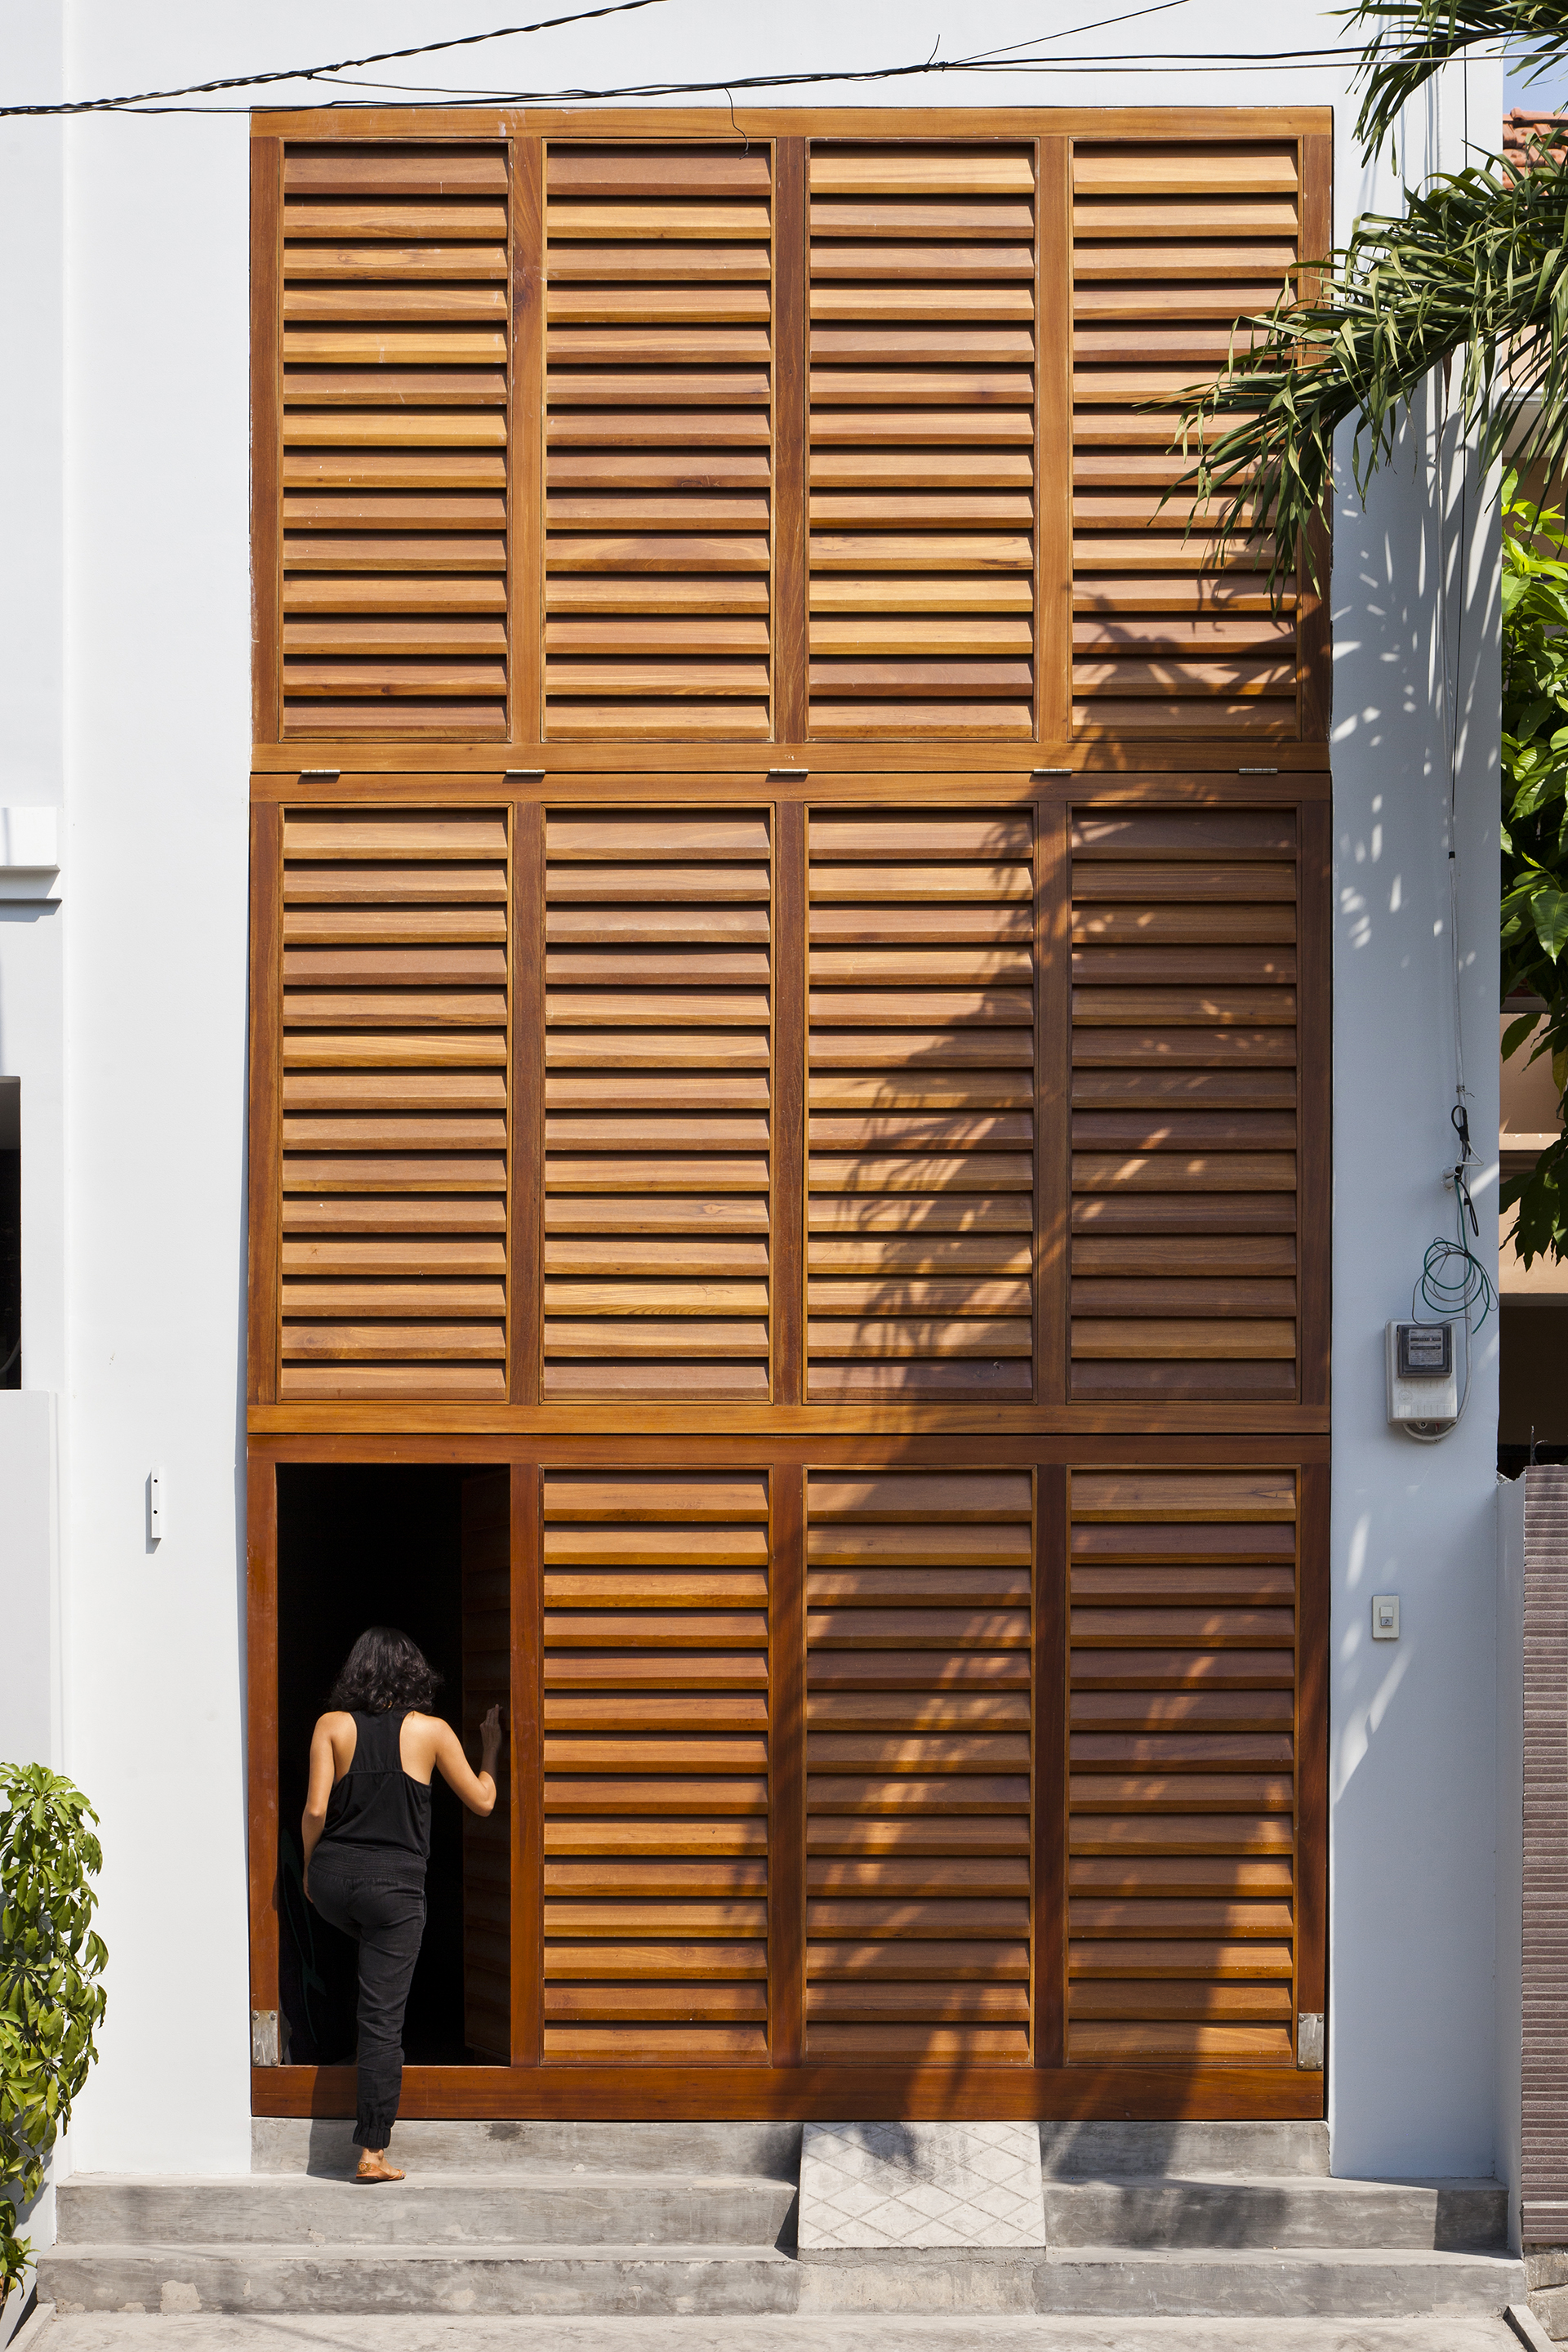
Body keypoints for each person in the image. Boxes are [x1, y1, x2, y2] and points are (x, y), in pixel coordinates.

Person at [301, 1625, 503, 2183]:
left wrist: (311, 1872)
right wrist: (492, 1747)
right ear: (414, 1674)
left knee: (364, 1959)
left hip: (335, 1881)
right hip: (395, 1890)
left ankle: (343, 2054)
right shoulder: (432, 1732)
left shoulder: (331, 1726)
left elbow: (315, 1811)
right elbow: (483, 1801)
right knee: (383, 2017)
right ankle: (372, 2152)